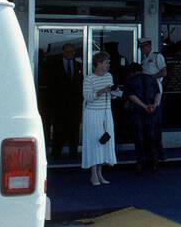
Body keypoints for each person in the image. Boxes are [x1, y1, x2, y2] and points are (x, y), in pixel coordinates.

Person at [82, 51, 122, 186]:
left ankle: (100, 172)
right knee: (94, 142)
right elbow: (88, 97)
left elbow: (112, 96)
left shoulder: (109, 76)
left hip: (106, 113)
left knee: (104, 142)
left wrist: (113, 93)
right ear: (98, 64)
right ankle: (93, 173)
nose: (108, 65)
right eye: (106, 63)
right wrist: (101, 91)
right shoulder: (89, 78)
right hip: (93, 114)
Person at [46, 42, 83, 160]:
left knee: (74, 129)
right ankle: (56, 153)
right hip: (59, 105)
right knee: (58, 129)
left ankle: (73, 153)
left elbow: (80, 85)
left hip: (74, 105)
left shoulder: (79, 66)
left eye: (72, 51)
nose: (70, 54)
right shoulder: (54, 65)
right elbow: (51, 86)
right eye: (67, 51)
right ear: (63, 52)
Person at [125, 61, 163, 172]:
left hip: (138, 111)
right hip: (151, 110)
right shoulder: (151, 78)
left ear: (131, 72)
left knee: (139, 136)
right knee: (151, 135)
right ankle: (154, 161)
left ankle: (140, 162)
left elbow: (131, 96)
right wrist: (154, 105)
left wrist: (143, 106)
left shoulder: (130, 80)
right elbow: (158, 93)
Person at [139, 38, 167, 162]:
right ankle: (150, 151)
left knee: (156, 124)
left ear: (149, 46)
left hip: (156, 92)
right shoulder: (144, 60)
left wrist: (151, 78)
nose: (142, 49)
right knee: (148, 124)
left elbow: (164, 72)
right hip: (146, 93)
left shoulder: (157, 57)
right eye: (141, 47)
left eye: (144, 47)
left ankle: (160, 151)